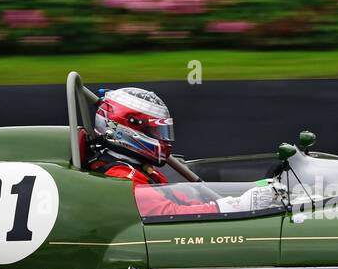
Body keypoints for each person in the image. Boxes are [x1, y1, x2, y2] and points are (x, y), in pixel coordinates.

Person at [88, 88, 281, 216]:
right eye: (155, 131)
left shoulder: (144, 170)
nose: (162, 138)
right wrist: (235, 206)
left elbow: (184, 199)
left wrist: (252, 191)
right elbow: (169, 214)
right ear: (126, 129)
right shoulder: (120, 177)